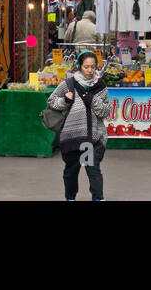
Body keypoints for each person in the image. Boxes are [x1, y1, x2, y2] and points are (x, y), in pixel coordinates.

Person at [46, 50, 111, 201]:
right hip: (73, 137)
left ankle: (98, 198)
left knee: (93, 169)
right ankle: (70, 197)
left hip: (92, 138)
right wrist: (65, 101)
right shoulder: (68, 84)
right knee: (71, 171)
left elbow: (105, 111)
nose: (90, 70)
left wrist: (91, 99)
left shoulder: (100, 86)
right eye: (86, 67)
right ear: (79, 66)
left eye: (93, 67)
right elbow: (51, 102)